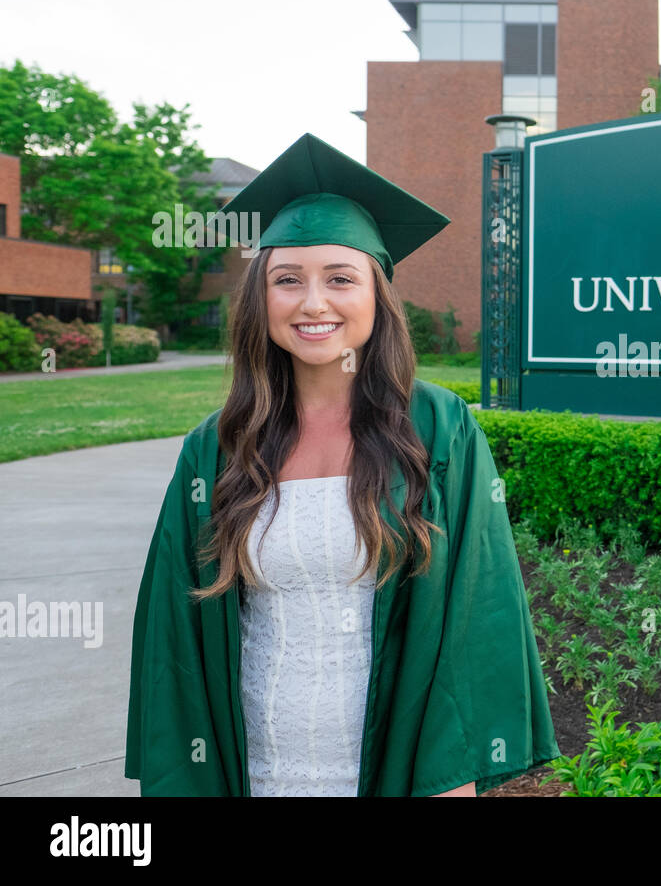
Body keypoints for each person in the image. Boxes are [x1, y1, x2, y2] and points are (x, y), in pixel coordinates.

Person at [125, 133, 561, 796]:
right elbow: (173, 636)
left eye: (339, 278)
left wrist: (451, 778)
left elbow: (481, 608)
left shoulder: (440, 430)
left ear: (376, 294)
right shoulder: (215, 446)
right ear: (259, 298)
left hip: (392, 768)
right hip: (256, 770)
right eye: (288, 280)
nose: (313, 303)